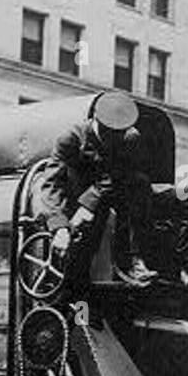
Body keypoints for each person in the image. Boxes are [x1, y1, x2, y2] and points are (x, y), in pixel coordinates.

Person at [35, 90, 157, 287]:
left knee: (140, 183)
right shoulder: (71, 139)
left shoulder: (130, 139)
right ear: (95, 121)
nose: (115, 140)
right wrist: (59, 226)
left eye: (121, 134)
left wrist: (91, 200)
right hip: (76, 199)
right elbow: (52, 182)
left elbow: (118, 177)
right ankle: (68, 284)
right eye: (109, 134)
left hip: (107, 194)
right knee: (80, 257)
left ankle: (132, 260)